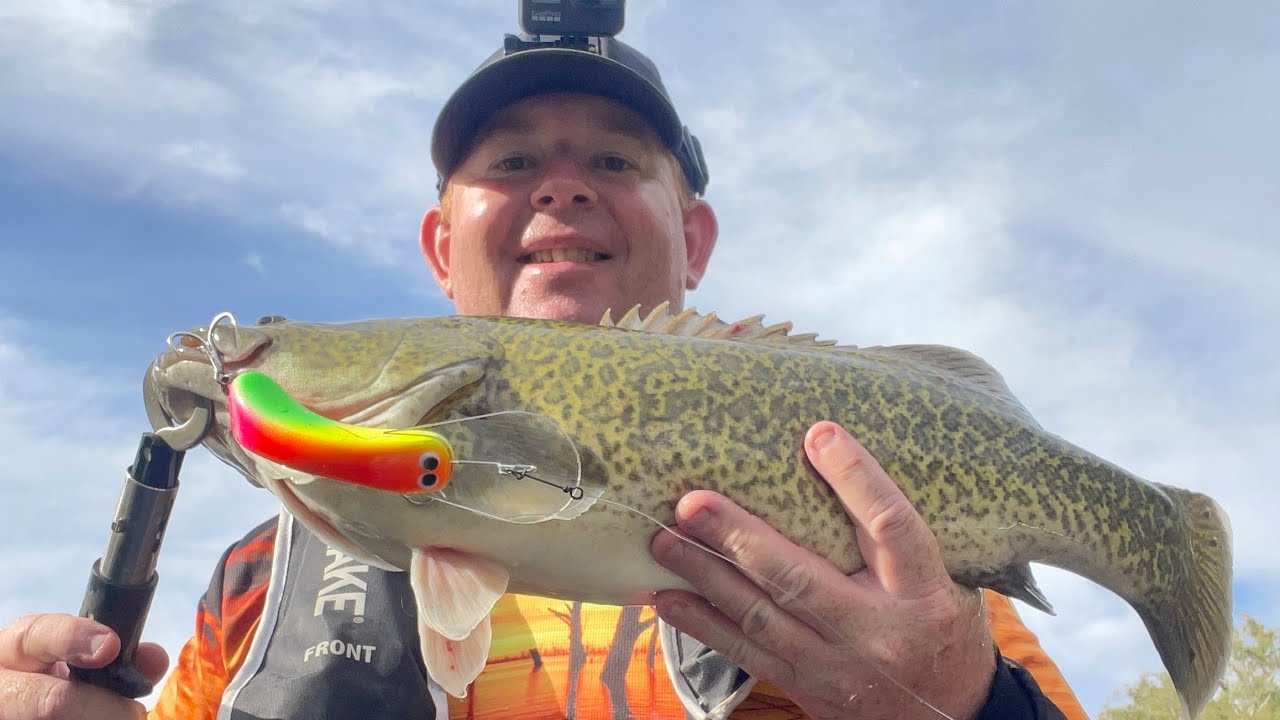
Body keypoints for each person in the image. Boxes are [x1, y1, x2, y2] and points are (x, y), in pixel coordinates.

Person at [0, 31, 1090, 720]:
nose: (560, 190)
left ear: (692, 239)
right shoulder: (257, 581)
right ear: (439, 247)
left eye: (612, 162)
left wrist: (964, 702)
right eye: (511, 163)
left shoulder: (895, 573)